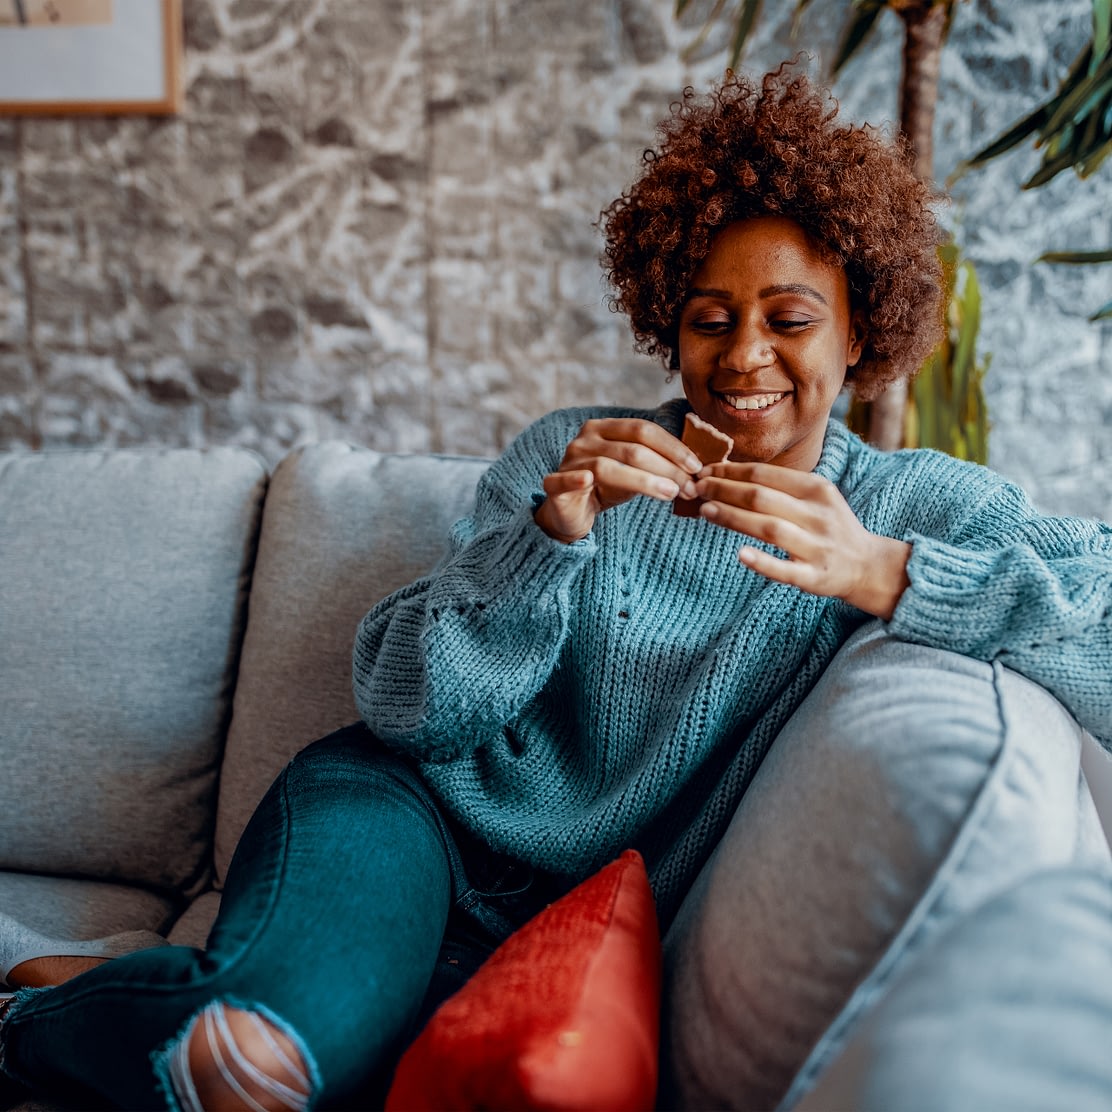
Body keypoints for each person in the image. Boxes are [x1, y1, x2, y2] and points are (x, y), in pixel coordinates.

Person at [1, 64, 1110, 1111]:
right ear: (665, 324)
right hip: (408, 820)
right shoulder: (565, 455)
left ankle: (146, 985)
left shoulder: (910, 504)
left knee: (260, 1042)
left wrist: (885, 570)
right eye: (707, 318)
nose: (743, 357)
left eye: (788, 317)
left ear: (860, 323)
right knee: (250, 1064)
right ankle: (30, 1021)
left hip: (561, 926)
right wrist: (550, 536)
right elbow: (408, 707)